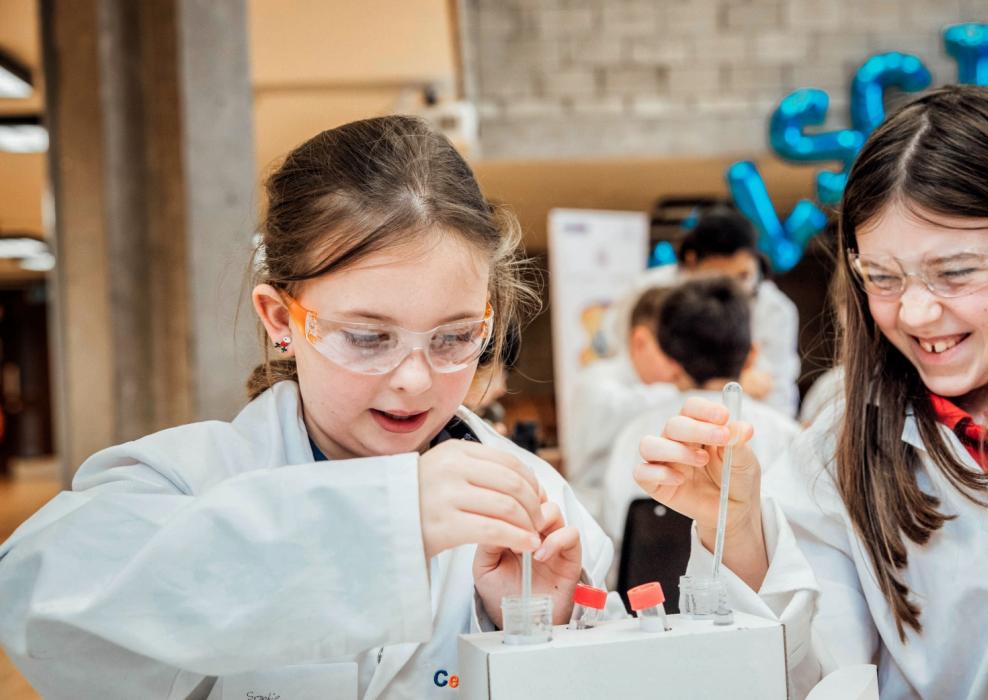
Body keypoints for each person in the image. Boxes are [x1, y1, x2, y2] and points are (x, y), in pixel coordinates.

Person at [0, 116, 620, 699]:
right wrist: (386, 524)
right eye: (368, 337)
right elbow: (39, 608)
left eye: (455, 338)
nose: (413, 379)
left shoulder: (535, 499)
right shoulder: (186, 478)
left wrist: (537, 628)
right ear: (281, 319)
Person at [634, 85, 988, 698]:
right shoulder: (840, 447)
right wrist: (739, 529)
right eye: (881, 277)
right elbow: (815, 676)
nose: (918, 312)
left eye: (956, 271)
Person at [601, 276, 803, 544]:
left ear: (670, 356)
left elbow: (614, 529)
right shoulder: (789, 437)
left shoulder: (635, 436)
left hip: (654, 586)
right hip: (761, 585)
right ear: (752, 354)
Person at [603, 207, 803, 415]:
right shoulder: (646, 292)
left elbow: (779, 388)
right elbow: (620, 360)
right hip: (655, 412)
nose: (733, 290)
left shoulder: (775, 309)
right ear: (691, 261)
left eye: (743, 276)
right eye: (719, 278)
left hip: (745, 420)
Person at [563, 285, 679, 510]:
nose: (681, 364)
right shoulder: (597, 382)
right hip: (598, 517)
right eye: (674, 349)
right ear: (640, 341)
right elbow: (637, 405)